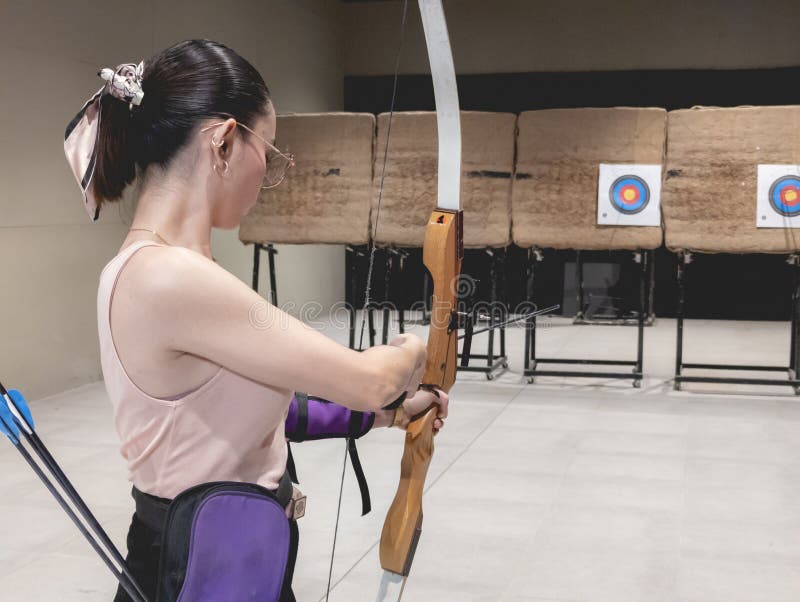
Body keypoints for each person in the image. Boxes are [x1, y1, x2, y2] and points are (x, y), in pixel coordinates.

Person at [64, 39, 448, 601]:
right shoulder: (167, 276)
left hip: (234, 566)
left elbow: (256, 409)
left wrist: (391, 416)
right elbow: (372, 380)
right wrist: (414, 349)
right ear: (223, 142)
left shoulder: (163, 268)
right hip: (201, 575)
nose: (269, 171)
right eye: (268, 151)